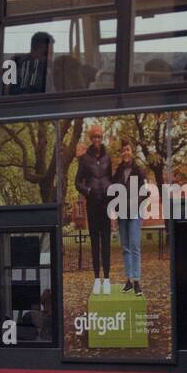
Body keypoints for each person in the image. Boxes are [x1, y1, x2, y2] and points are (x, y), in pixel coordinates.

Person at [75, 125, 114, 294]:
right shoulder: (85, 159)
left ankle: (107, 278)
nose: (97, 139)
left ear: (102, 137)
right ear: (91, 139)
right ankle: (97, 278)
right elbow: (77, 182)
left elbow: (111, 178)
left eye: (99, 136)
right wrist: (88, 191)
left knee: (106, 242)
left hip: (105, 204)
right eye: (94, 137)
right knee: (94, 242)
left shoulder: (108, 158)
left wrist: (110, 190)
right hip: (92, 205)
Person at [112, 140, 150, 295]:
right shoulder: (119, 171)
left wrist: (135, 204)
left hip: (134, 213)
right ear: (121, 153)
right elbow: (114, 192)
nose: (125, 152)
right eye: (123, 150)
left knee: (134, 247)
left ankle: (137, 282)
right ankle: (128, 280)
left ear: (131, 152)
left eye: (127, 150)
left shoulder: (138, 170)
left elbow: (146, 192)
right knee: (125, 248)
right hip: (122, 214)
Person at [6, 31, 53, 96]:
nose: (49, 58)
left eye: (51, 54)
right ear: (34, 50)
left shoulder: (44, 68)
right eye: (46, 54)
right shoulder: (21, 66)